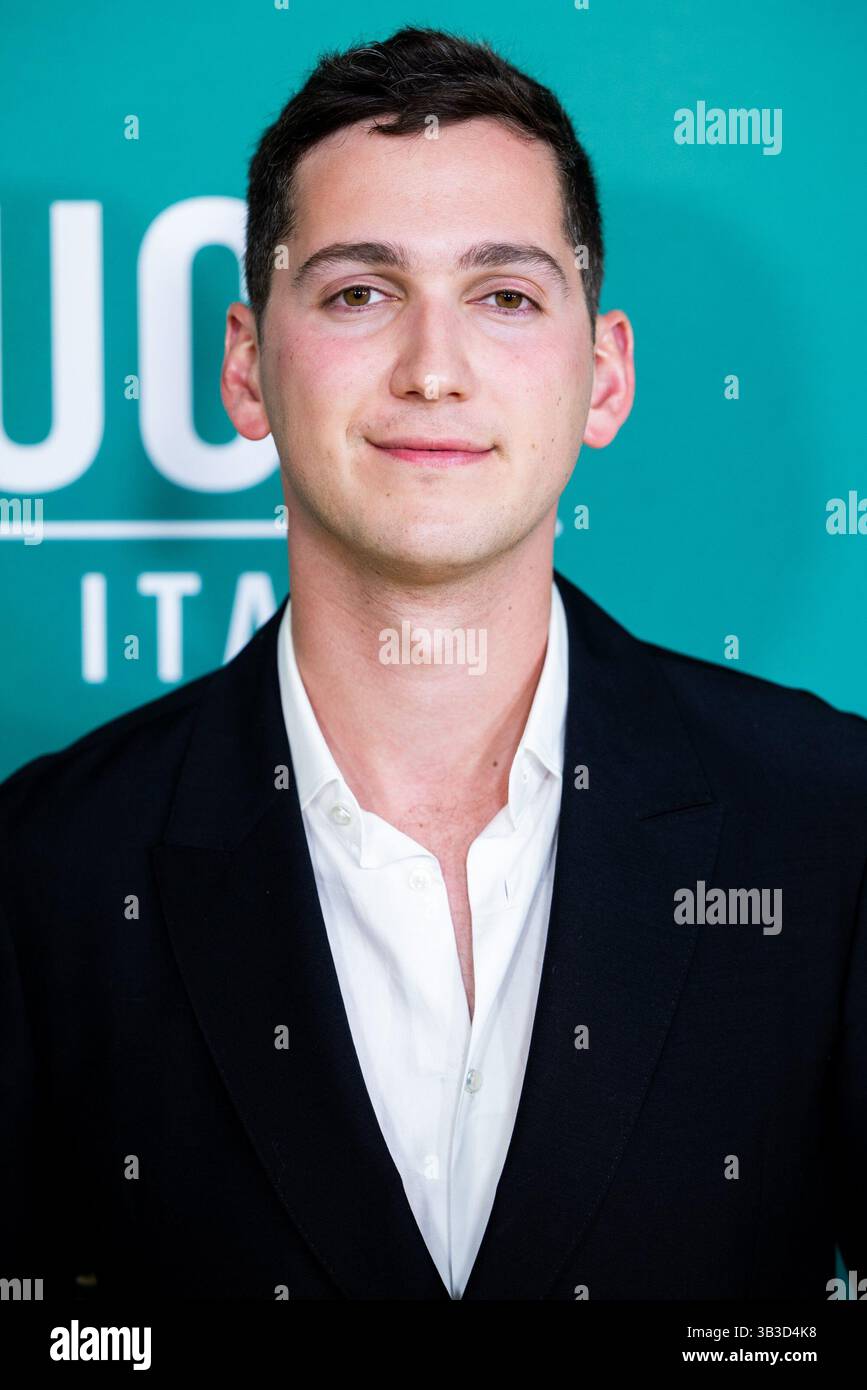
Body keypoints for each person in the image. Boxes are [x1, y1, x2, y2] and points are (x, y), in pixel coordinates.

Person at [1, 25, 865, 1302]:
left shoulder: (831, 824)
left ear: (605, 374)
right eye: (361, 291)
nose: (434, 368)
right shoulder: (44, 873)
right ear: (247, 366)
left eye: (506, 295)